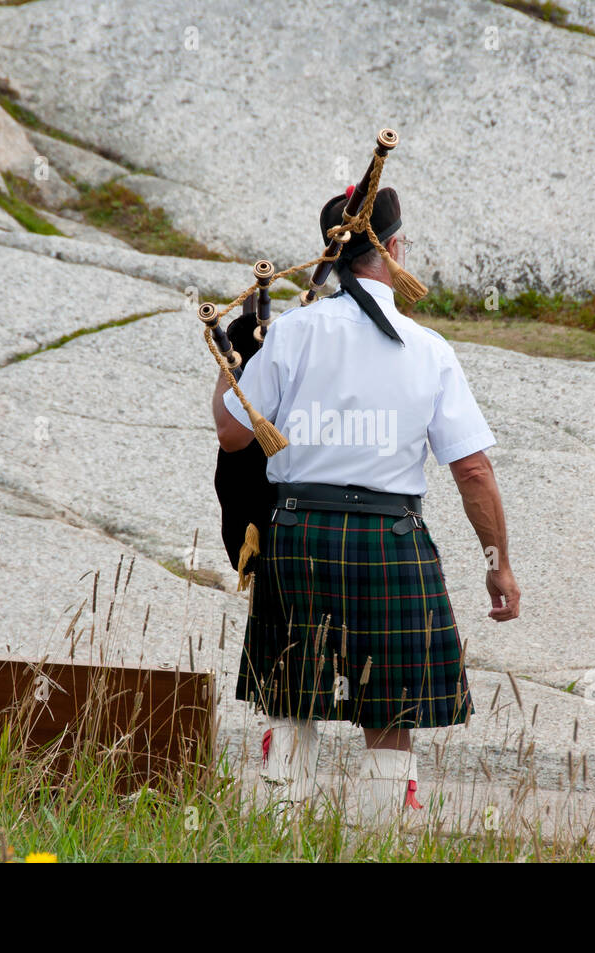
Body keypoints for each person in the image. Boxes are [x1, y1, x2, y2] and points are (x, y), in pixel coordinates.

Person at [211, 186, 520, 827]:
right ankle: (386, 842)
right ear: (394, 247)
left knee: (294, 705)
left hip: (298, 535)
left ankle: (279, 838)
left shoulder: (292, 333)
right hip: (391, 541)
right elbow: (473, 469)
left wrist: (232, 360)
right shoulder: (430, 349)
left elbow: (233, 434)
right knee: (391, 712)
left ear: (331, 254)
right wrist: (498, 564)